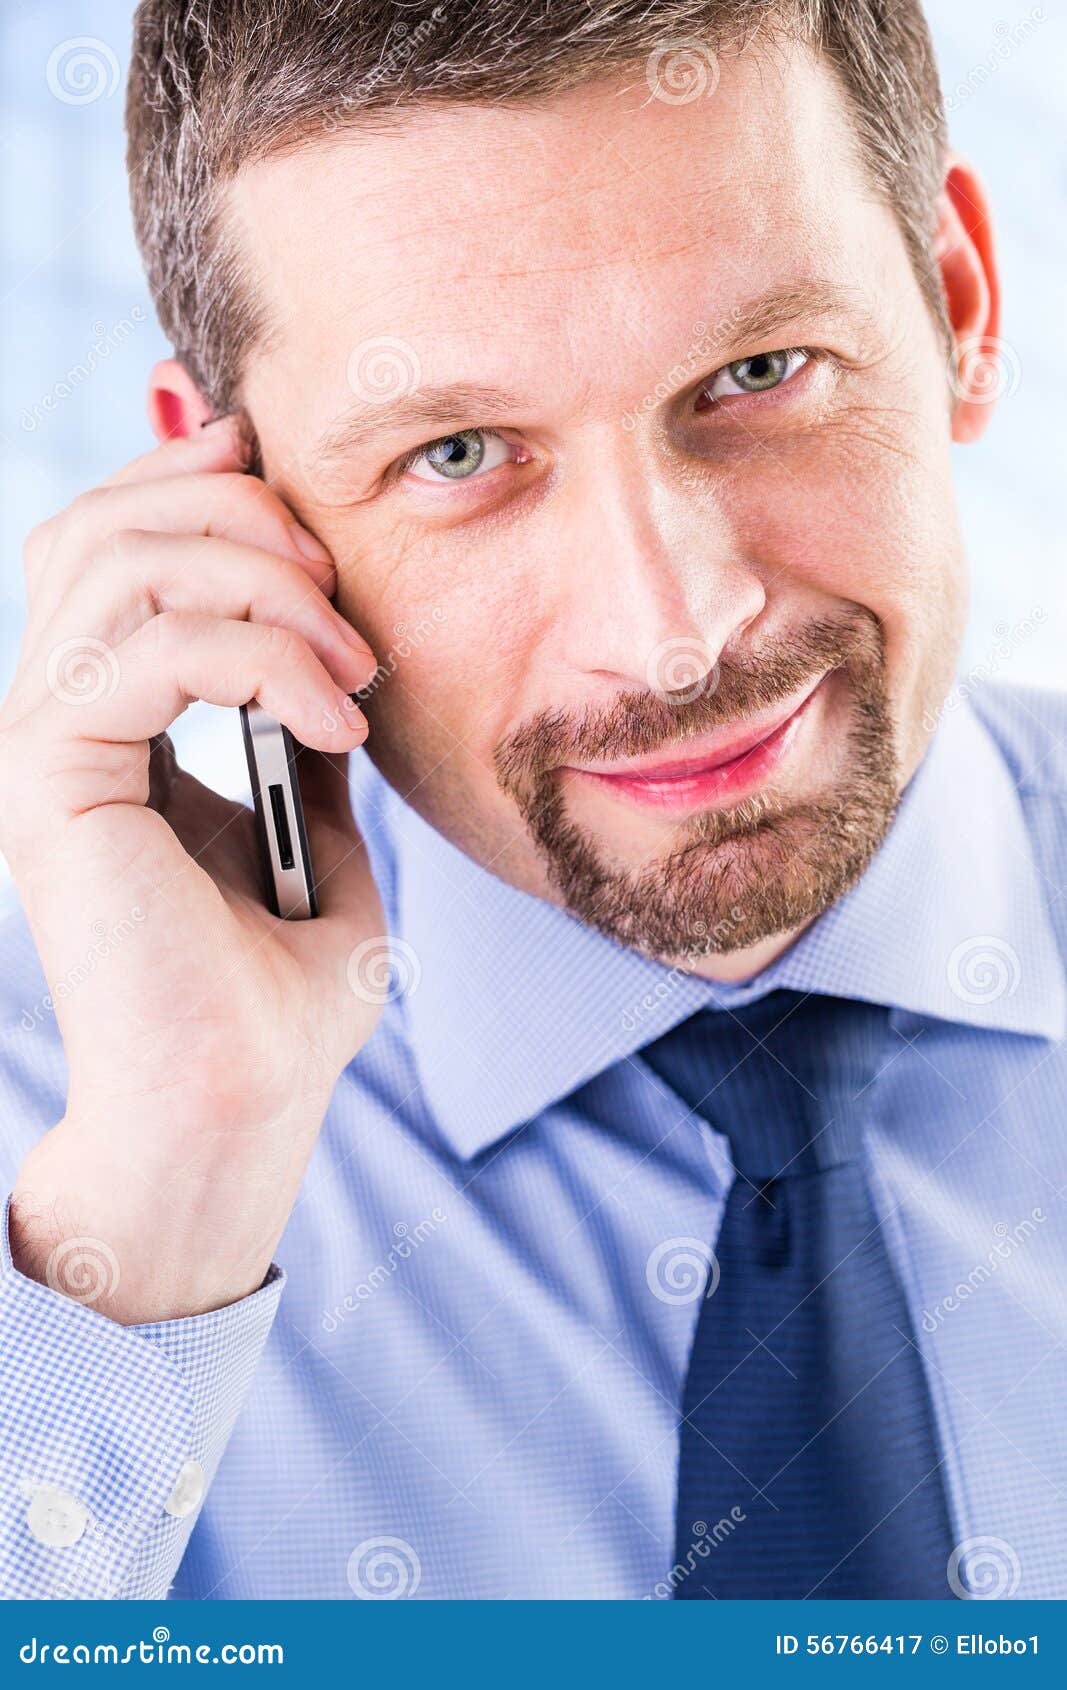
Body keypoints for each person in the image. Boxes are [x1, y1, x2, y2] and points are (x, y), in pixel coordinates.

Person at [0, 0, 1063, 1601]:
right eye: (461, 451)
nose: (674, 625)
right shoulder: (64, 1139)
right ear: (228, 499)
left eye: (760, 370)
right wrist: (155, 1214)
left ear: (959, 305)